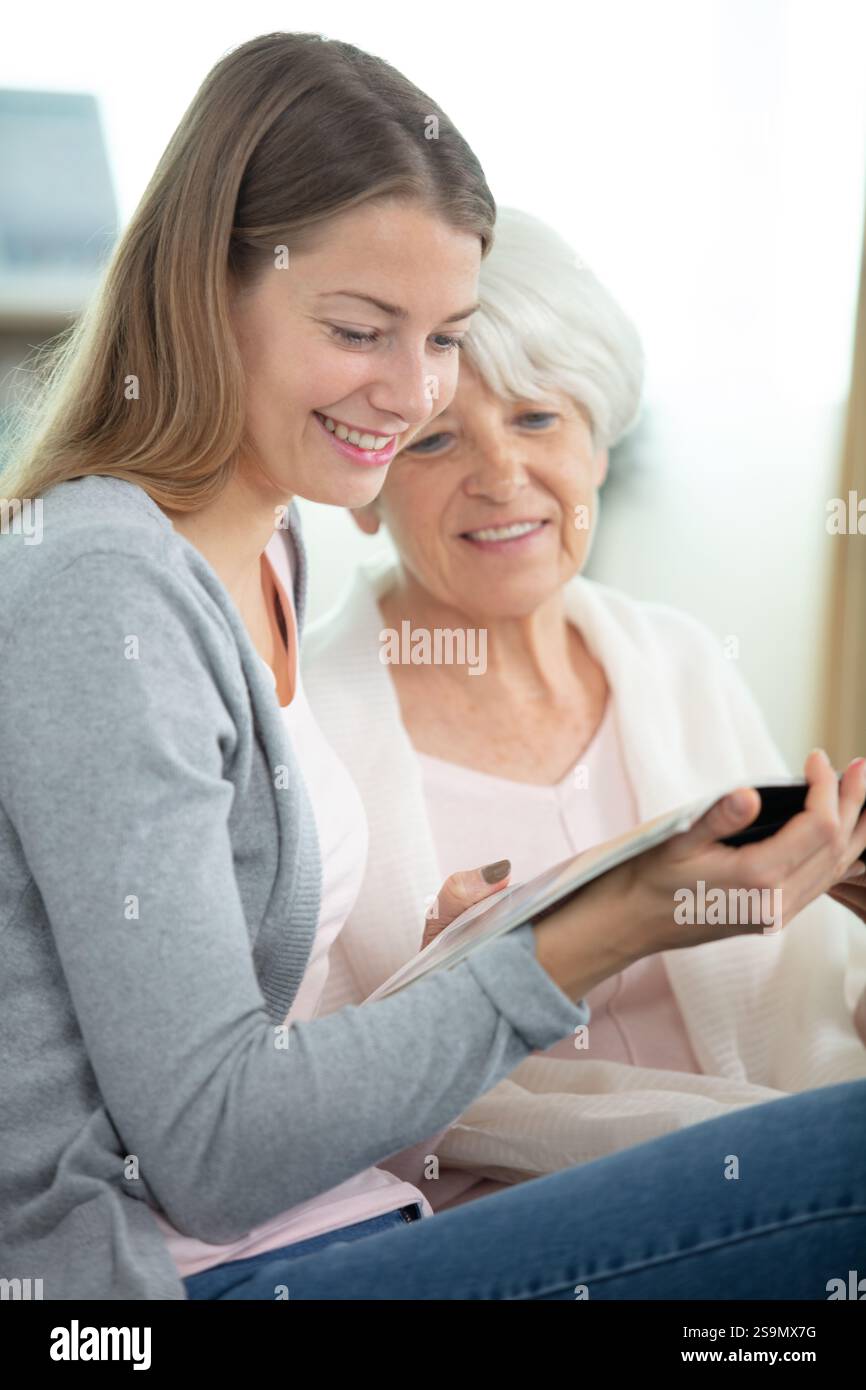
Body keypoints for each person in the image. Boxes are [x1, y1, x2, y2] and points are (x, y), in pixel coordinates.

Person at [1, 32, 865, 1303]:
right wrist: (594, 933)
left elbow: (260, 1037)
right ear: (201, 288)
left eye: (446, 335)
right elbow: (214, 1148)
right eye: (359, 329)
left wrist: (478, 956)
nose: (409, 394)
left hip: (353, 1222)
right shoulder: (100, 590)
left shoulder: (271, 544)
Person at [300, 208, 866, 1206]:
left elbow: (818, 1012)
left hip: (799, 1176)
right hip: (542, 1236)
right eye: (434, 441)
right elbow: (298, 1124)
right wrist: (457, 994)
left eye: (535, 419)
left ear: (597, 446)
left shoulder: (679, 662)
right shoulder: (309, 734)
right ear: (362, 484)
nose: (501, 477)